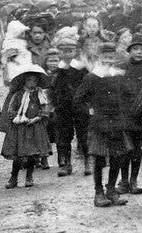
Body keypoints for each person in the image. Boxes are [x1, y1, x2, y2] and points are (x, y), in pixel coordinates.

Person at [75, 40, 133, 208]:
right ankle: (98, 192)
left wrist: (125, 112)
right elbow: (78, 100)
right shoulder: (92, 77)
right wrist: (90, 111)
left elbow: (128, 95)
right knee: (99, 159)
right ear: (99, 57)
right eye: (105, 56)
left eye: (111, 56)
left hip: (117, 122)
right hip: (99, 123)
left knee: (118, 157)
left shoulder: (118, 76)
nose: (108, 59)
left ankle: (111, 190)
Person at [0, 64, 52, 189]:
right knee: (18, 155)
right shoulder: (18, 95)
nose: (32, 83)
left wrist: (36, 118)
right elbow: (11, 110)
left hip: (35, 127)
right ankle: (14, 177)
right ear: (24, 81)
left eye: (35, 81)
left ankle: (29, 176)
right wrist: (19, 119)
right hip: (20, 129)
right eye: (29, 80)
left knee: (32, 154)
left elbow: (45, 110)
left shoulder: (40, 95)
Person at [118, 33, 142, 195]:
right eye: (135, 49)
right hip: (124, 115)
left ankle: (134, 180)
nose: (138, 52)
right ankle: (124, 180)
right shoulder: (121, 68)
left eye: (141, 49)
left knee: (137, 149)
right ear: (129, 51)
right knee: (124, 149)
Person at [50, 27, 89, 177]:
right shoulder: (57, 71)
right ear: (58, 52)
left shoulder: (81, 69)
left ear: (75, 52)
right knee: (64, 137)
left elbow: (87, 87)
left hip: (79, 107)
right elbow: (52, 89)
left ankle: (86, 162)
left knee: (83, 136)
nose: (67, 54)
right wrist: (55, 104)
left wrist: (86, 103)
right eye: (63, 51)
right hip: (63, 108)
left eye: (70, 51)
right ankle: (67, 164)